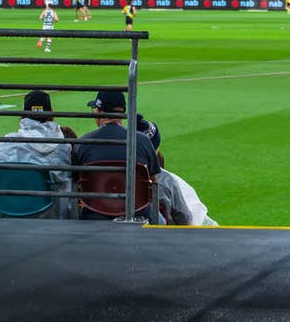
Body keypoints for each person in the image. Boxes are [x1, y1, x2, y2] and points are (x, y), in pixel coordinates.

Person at [72, 89, 205, 224]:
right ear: (123, 113)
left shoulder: (83, 143)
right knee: (163, 222)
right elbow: (154, 183)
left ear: (99, 112)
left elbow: (76, 184)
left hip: (94, 217)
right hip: (139, 216)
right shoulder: (142, 141)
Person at [0, 89, 77, 218]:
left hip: (9, 215)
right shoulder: (64, 149)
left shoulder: (7, 145)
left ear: (23, 116)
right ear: (51, 114)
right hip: (50, 219)